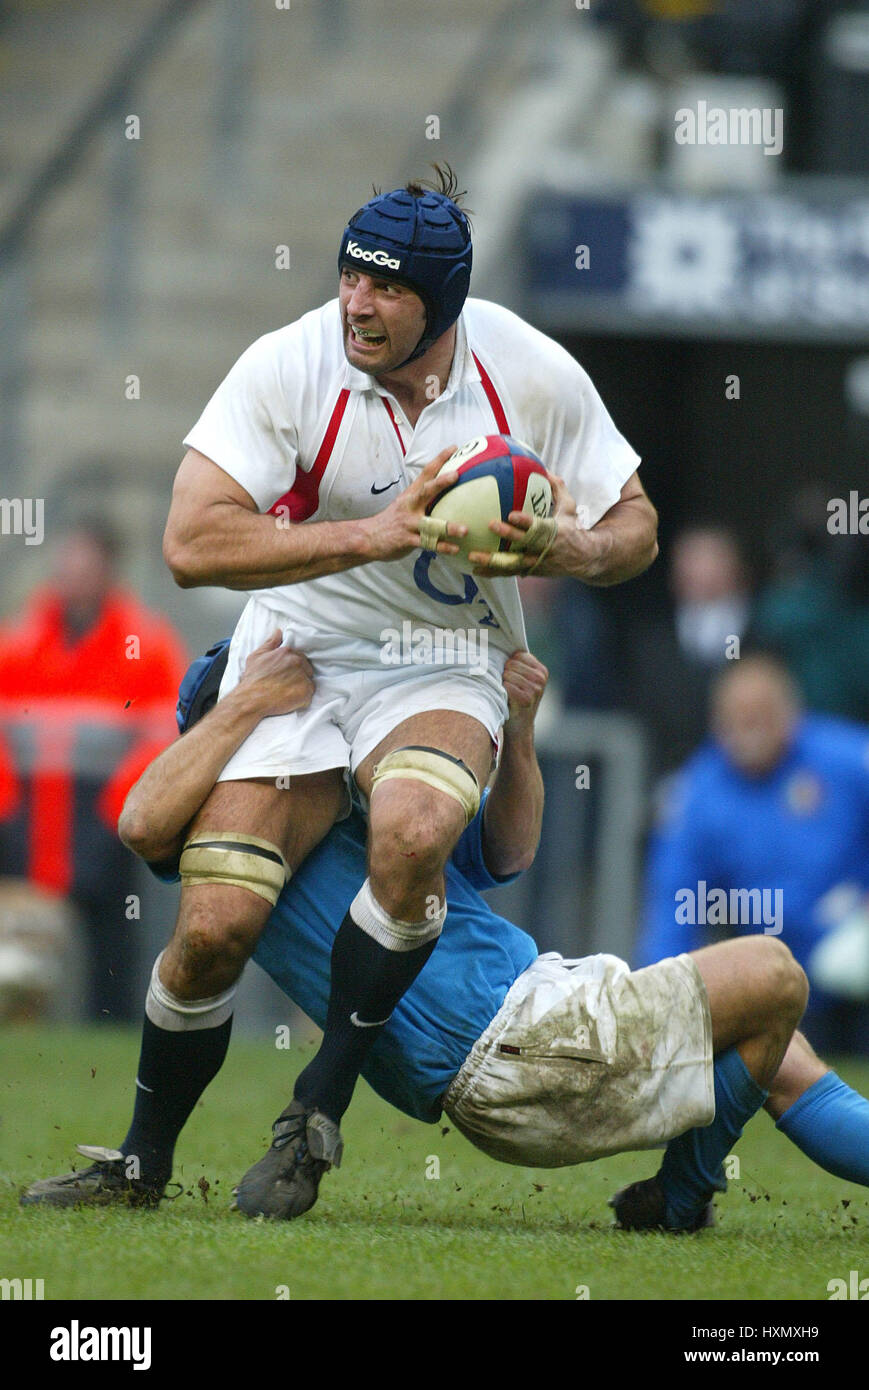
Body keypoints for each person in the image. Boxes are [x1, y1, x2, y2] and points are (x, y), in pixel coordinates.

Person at [128, 164, 657, 1218]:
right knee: (212, 928)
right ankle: (138, 1163)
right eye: (348, 278)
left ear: (443, 304)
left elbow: (634, 525)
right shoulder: (288, 363)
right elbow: (189, 542)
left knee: (413, 834)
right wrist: (370, 532)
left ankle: (312, 1111)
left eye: (385, 289)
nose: (355, 304)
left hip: (446, 649)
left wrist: (570, 545)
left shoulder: (531, 372)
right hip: (304, 647)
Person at [22, 638, 869, 1230]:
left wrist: (520, 729)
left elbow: (509, 850)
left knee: (780, 1050)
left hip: (544, 1011)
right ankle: (681, 1200)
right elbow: (140, 817)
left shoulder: (372, 808)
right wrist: (248, 701)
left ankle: (675, 1201)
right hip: (513, 1047)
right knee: (774, 974)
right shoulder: (224, 830)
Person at [0, 520, 187, 1020]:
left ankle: (113, 1033)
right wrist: (6, 806)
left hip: (106, 817)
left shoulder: (145, 646)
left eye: (85, 564)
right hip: (26, 813)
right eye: (66, 563)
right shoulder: (20, 642)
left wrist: (122, 810)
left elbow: (165, 735)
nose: (73, 575)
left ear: (108, 570)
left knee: (113, 941)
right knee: (18, 940)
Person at [636, 652, 869, 1052]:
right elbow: (676, 906)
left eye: (761, 715)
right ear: (716, 722)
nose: (749, 730)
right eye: (736, 719)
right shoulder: (698, 795)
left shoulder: (847, 759)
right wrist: (658, 1003)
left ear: (791, 713)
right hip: (777, 976)